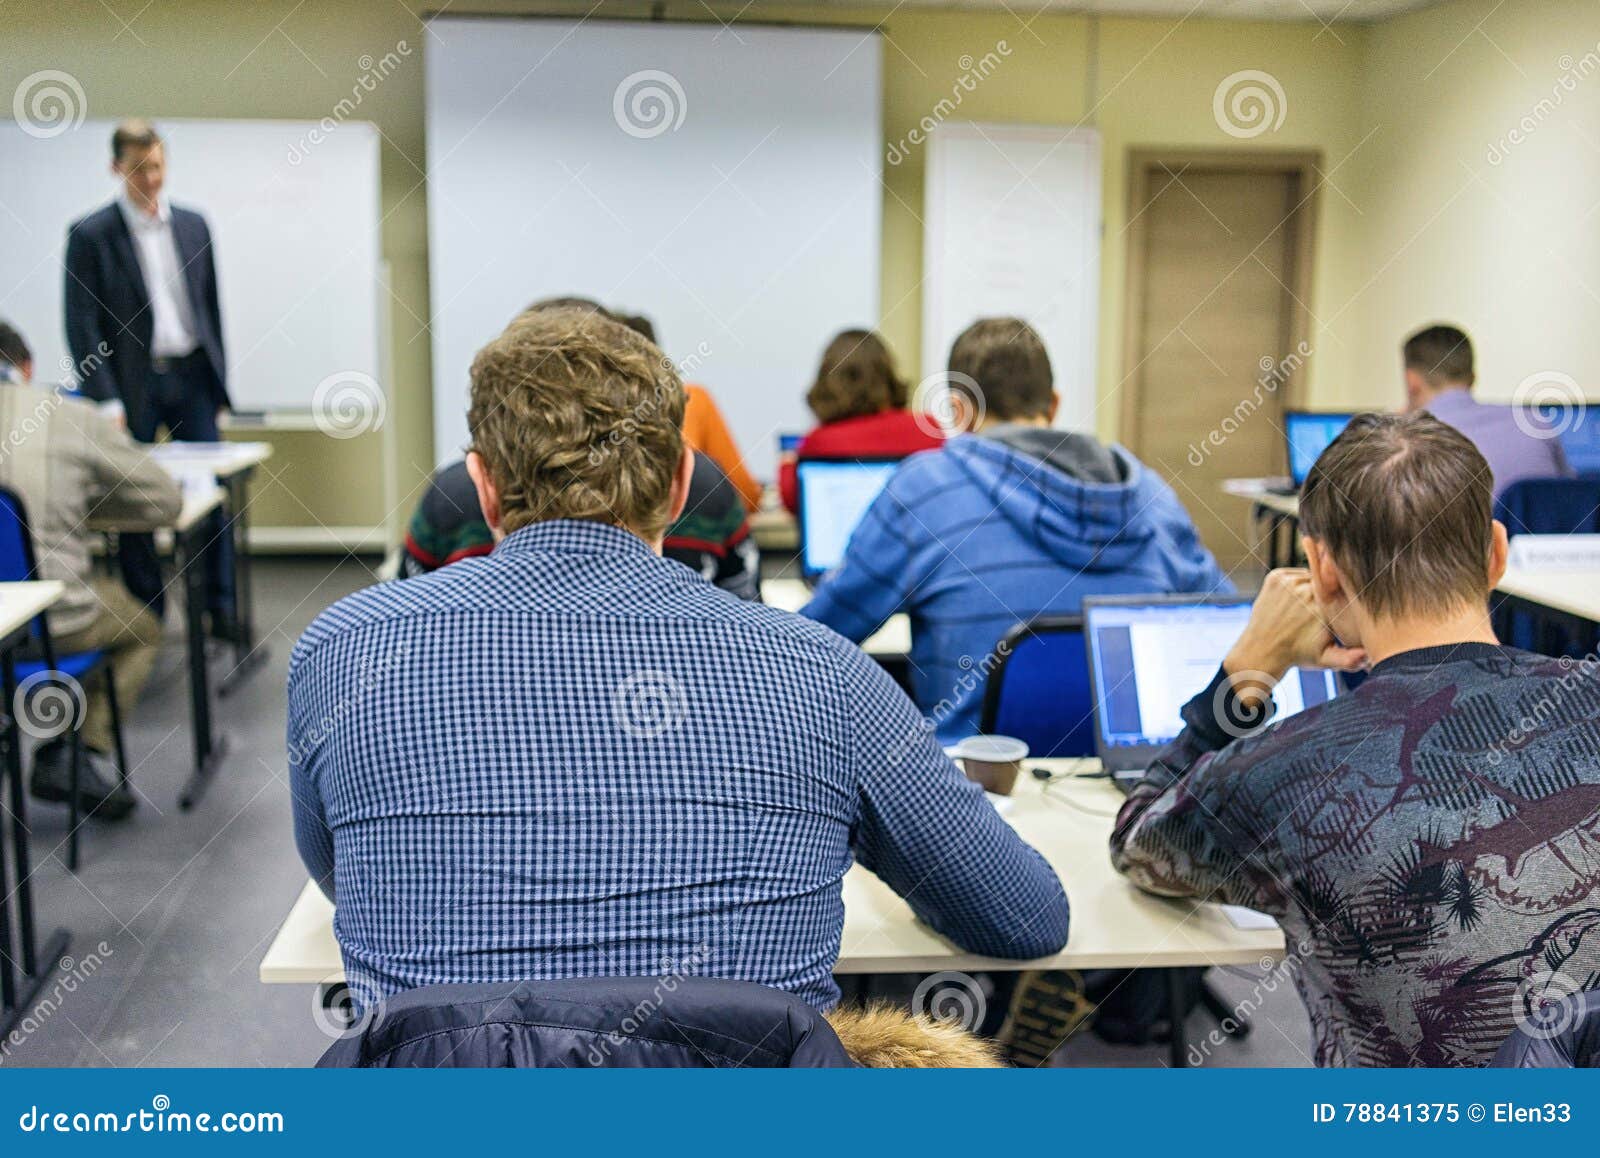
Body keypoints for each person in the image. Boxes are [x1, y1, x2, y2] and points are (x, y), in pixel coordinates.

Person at [287, 306, 1069, 1012]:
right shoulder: (823, 674)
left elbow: (340, 880)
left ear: (484, 488)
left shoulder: (338, 654)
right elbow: (1025, 917)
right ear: (681, 480)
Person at [1110, 411, 1600, 1068]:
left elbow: (1140, 841)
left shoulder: (1282, 771)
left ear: (1322, 571)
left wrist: (1249, 668)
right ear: (1496, 553)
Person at [802, 317, 1229, 743]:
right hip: (1137, 790)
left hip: (973, 789)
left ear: (956, 409)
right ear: (1054, 404)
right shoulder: (1151, 496)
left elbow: (817, 636)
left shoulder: (923, 489)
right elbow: (1229, 627)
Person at [0, 320, 181, 819]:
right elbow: (164, 500)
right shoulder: (66, 415)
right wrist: (80, 510)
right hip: (54, 624)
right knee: (141, 626)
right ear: (27, 367)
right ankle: (77, 752)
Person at [63, 119, 232, 625]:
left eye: (157, 166)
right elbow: (81, 322)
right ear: (117, 168)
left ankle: (218, 607)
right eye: (139, 169)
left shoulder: (193, 225)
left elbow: (209, 307)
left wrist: (219, 382)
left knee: (211, 495)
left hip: (192, 379)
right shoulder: (91, 235)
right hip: (132, 387)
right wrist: (106, 399)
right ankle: (148, 613)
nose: (151, 178)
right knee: (132, 502)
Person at [402, 452, 759, 601]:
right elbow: (748, 601)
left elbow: (409, 605)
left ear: (485, 485)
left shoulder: (450, 491)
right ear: (678, 483)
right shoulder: (708, 483)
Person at [777, 330, 945, 514]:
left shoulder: (819, 442)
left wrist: (786, 463)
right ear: (888, 376)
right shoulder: (928, 429)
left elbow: (793, 497)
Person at [1402, 324, 1569, 499]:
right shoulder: (1533, 422)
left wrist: (1392, 427)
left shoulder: (1410, 441)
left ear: (1412, 381)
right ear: (1472, 377)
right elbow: (1572, 496)